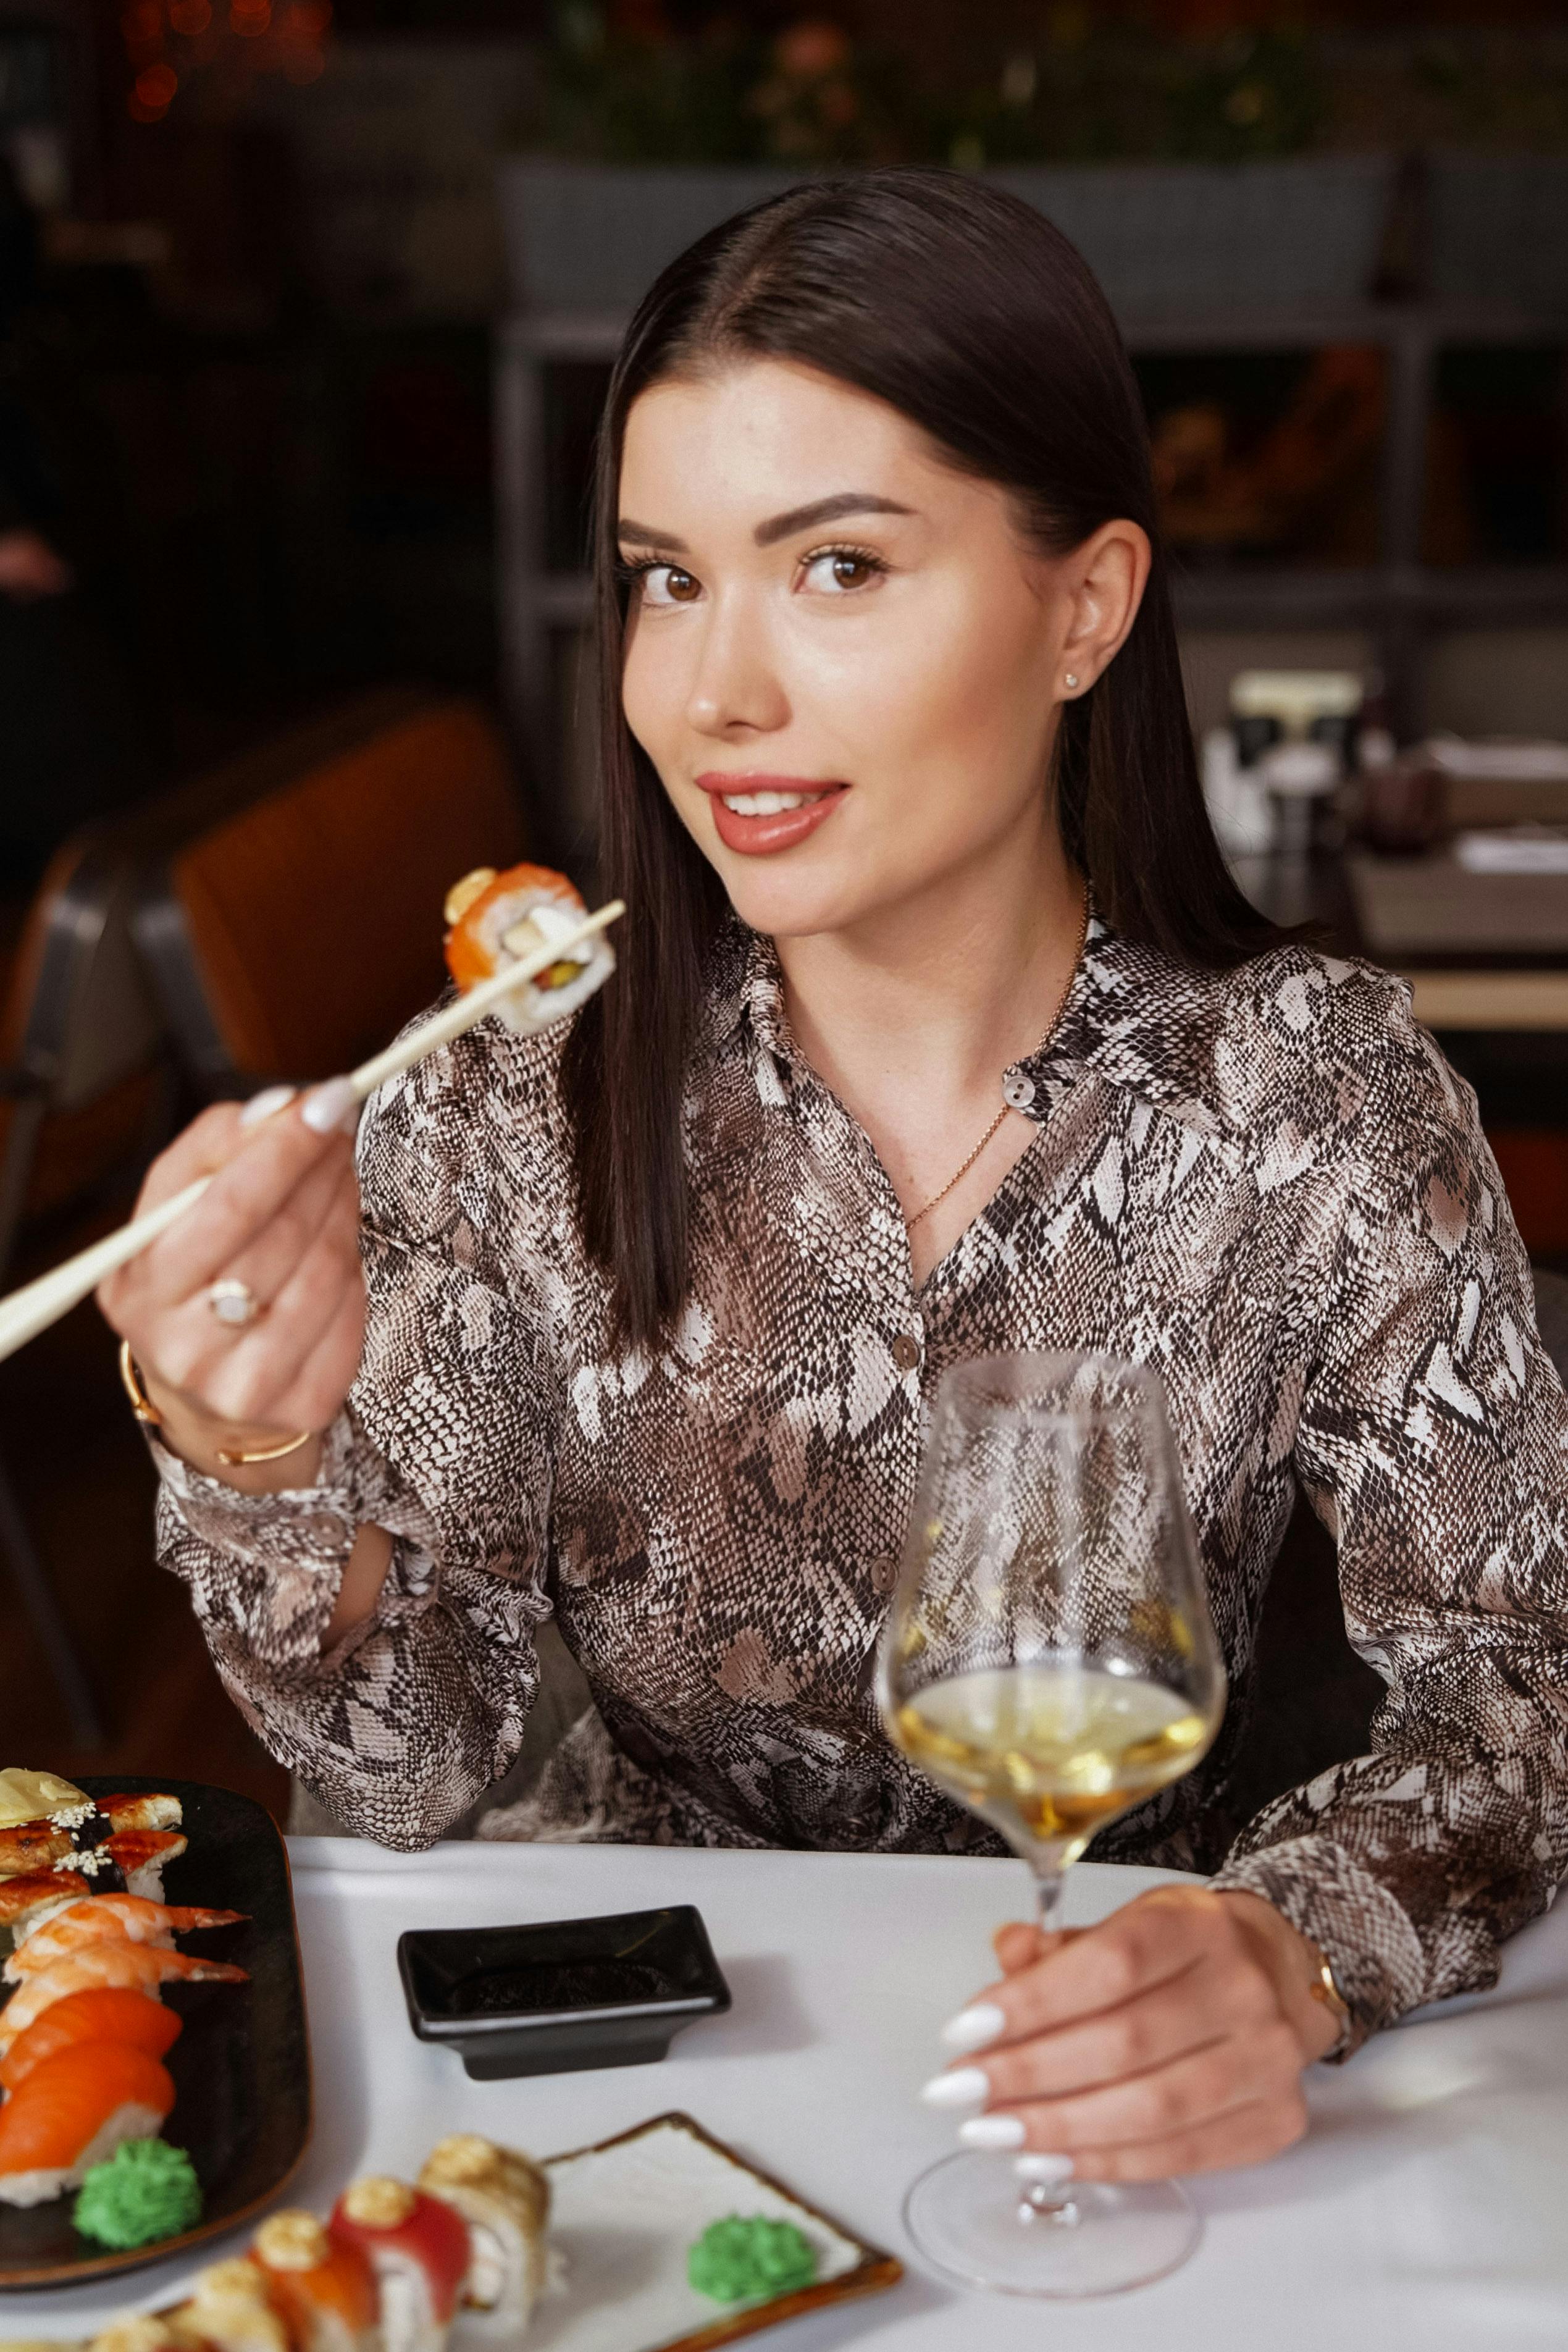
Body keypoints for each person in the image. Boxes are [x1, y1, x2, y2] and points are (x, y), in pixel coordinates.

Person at [101, 172, 1568, 2188]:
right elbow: (413, 1761)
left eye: (841, 568)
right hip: (632, 2115)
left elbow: (1528, 1672)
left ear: (1084, 605)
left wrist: (1291, 1947)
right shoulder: (498, 1115)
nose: (713, 697)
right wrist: (250, 1453)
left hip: (1126, 2100)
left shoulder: (1308, 1098)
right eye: (667, 577)